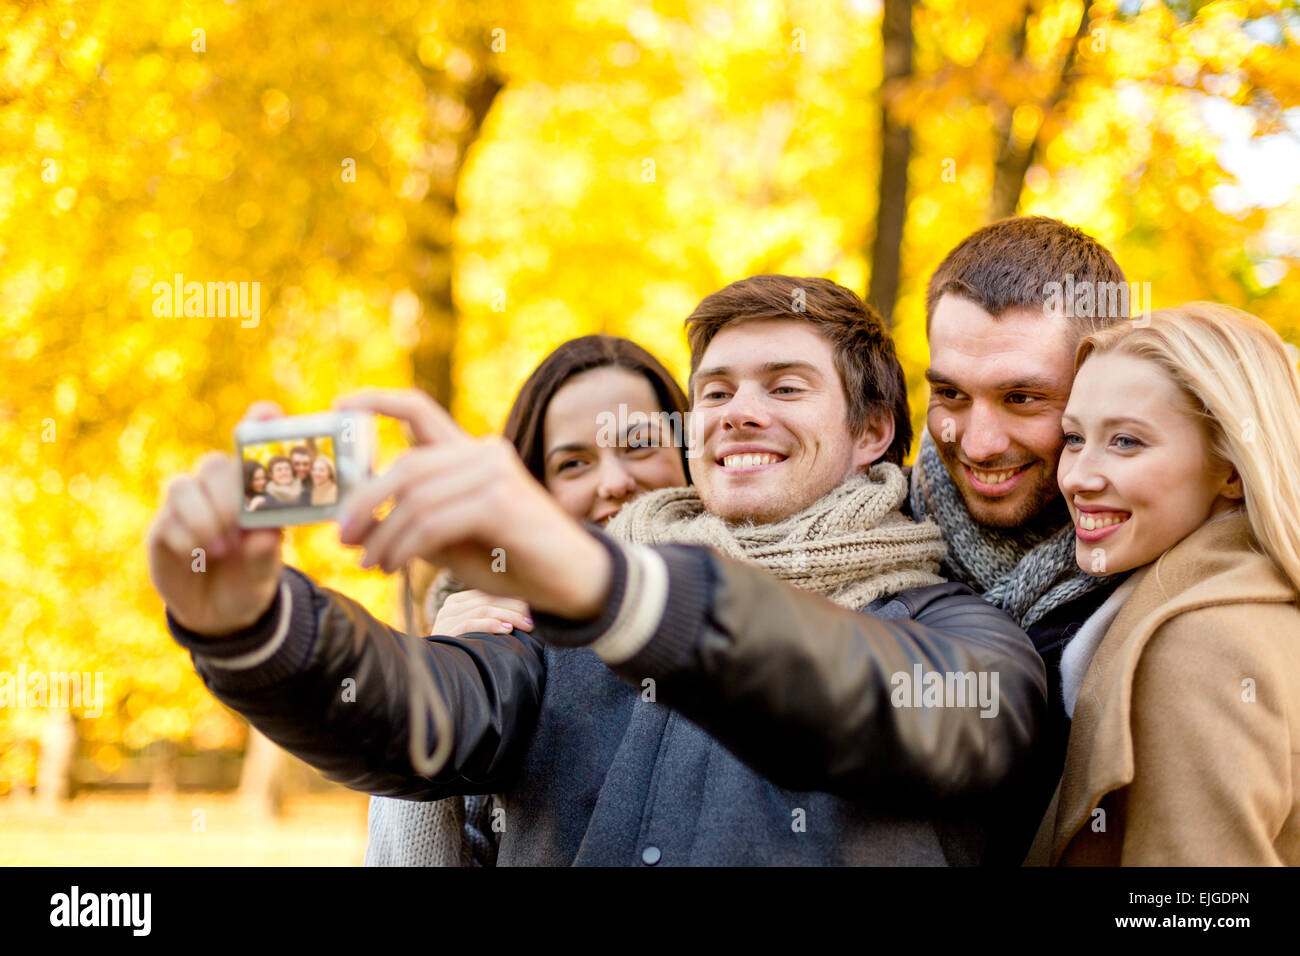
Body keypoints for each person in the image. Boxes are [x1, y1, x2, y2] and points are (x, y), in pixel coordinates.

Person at [147, 275, 1046, 866]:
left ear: (872, 432)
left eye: (784, 386)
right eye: (718, 391)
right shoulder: (546, 631)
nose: (739, 412)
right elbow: (414, 711)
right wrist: (259, 627)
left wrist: (612, 586)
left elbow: (885, 703)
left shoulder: (966, 639)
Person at [369, 334, 691, 866]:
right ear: (531, 493)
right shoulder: (502, 638)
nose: (614, 481)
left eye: (638, 446)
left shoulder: (759, 607)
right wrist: (438, 676)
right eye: (573, 464)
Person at [1028, 303, 1300, 865]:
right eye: (1074, 438)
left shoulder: (1202, 643)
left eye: (1126, 441)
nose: (1078, 477)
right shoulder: (1259, 601)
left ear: (1230, 467)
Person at [908, 216, 1130, 811]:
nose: (978, 443)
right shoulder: (875, 538)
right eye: (951, 394)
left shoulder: (1157, 574)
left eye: (1022, 398)